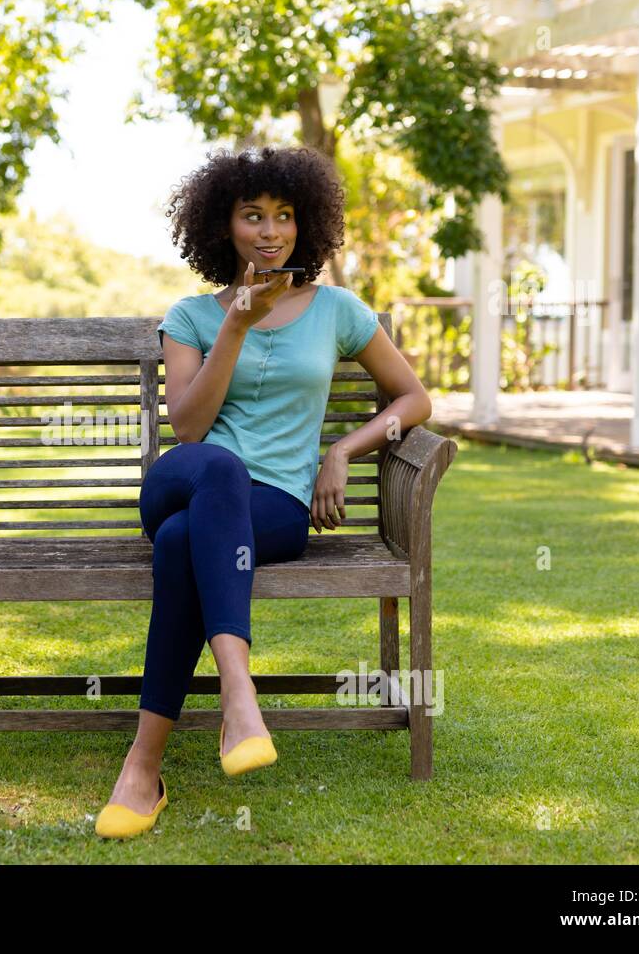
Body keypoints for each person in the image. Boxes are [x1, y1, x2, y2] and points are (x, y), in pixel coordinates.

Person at [94, 145, 433, 839]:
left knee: (188, 543)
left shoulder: (336, 309)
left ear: (305, 223)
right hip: (185, 480)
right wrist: (237, 324)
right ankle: (239, 695)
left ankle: (142, 767)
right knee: (216, 468)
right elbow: (188, 426)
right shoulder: (191, 315)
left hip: (274, 508)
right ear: (225, 226)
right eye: (254, 216)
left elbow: (414, 398)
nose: (271, 231)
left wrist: (342, 449)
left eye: (284, 216)